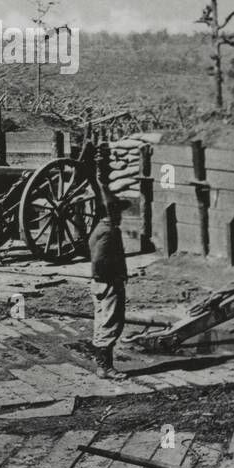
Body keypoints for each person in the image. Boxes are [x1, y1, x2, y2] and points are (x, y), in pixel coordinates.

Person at [87, 143, 129, 381]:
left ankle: (103, 364)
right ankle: (105, 367)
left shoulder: (102, 228)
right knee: (110, 324)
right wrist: (112, 280)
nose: (121, 214)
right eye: (118, 210)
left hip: (103, 282)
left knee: (103, 322)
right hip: (107, 282)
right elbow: (101, 259)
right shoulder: (108, 231)